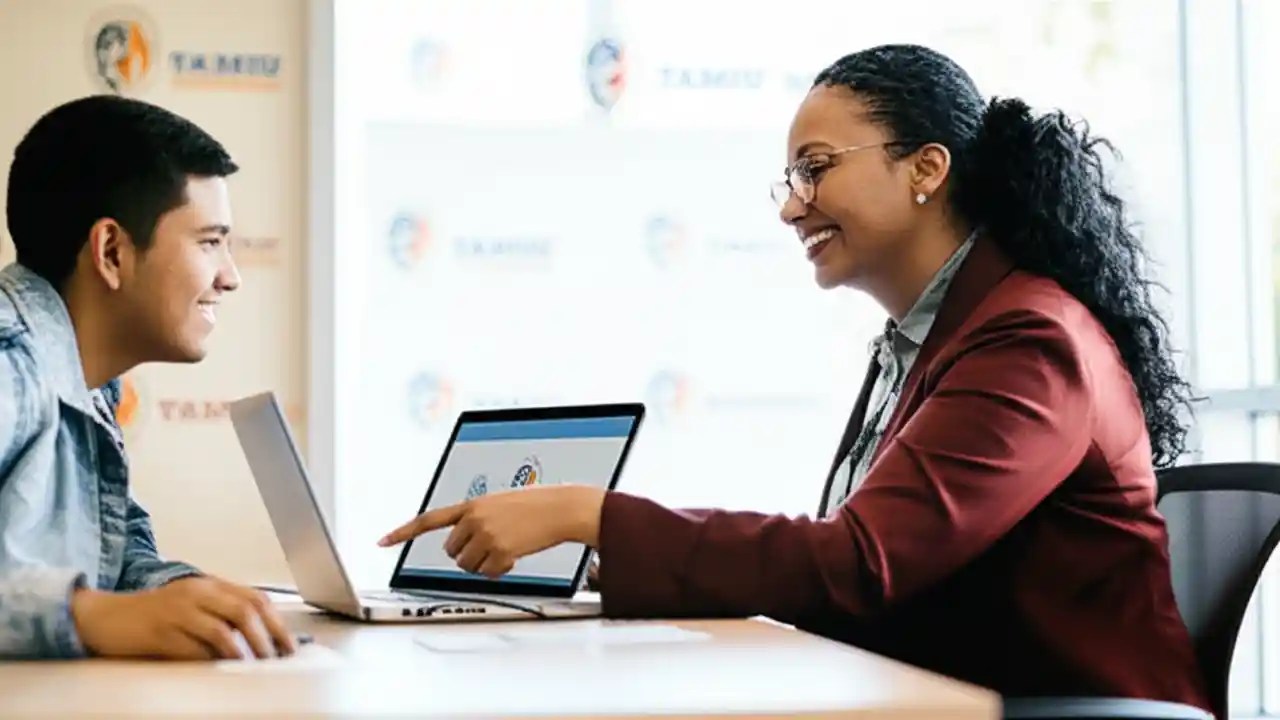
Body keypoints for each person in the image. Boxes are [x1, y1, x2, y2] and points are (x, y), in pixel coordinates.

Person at [379, 44, 1210, 708]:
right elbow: (859, 569)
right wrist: (623, 556)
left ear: (926, 169)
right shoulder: (936, 333)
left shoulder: (1032, 339)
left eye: (815, 169)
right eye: (789, 178)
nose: (789, 206)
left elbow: (860, 562)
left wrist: (592, 515)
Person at [0, 95, 295, 660]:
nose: (230, 277)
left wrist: (191, 598)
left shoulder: (88, 382)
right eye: (210, 242)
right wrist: (90, 617)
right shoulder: (11, 360)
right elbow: (99, 603)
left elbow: (116, 561)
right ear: (112, 251)